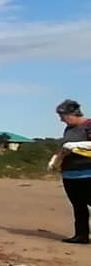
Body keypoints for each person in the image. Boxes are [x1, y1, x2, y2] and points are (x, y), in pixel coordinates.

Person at [53, 99, 91, 244]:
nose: (61, 119)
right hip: (70, 174)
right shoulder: (69, 129)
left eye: (62, 116)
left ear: (71, 114)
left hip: (87, 173)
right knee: (78, 206)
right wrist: (56, 160)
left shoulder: (88, 125)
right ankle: (81, 235)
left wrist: (74, 145)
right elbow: (66, 147)